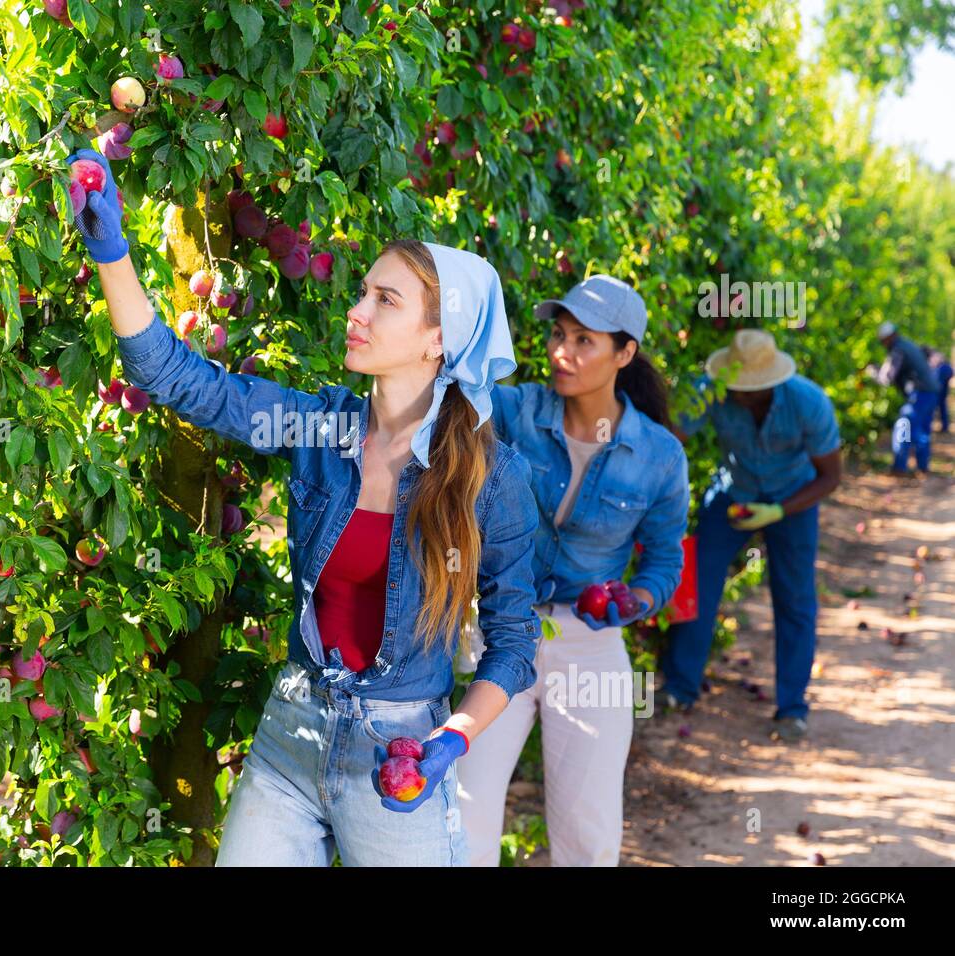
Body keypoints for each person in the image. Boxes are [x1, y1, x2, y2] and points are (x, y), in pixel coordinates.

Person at [64, 147, 545, 866]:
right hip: (293, 734)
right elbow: (174, 376)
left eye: (386, 300)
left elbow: (514, 644)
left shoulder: (490, 479)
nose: (357, 311)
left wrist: (453, 740)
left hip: (400, 751)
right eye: (363, 292)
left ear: (440, 340)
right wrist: (112, 250)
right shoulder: (323, 428)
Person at [454, 275, 690, 867]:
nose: (563, 351)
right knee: (465, 807)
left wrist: (635, 600)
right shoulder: (514, 412)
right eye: (560, 335)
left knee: (588, 827)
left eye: (585, 340)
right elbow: (453, 398)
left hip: (589, 645)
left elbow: (664, 560)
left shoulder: (659, 456)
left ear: (625, 353)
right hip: (500, 631)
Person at [661, 329, 842, 744]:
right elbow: (671, 441)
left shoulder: (808, 403)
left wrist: (779, 510)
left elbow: (831, 476)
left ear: (769, 384)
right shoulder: (714, 390)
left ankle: (792, 708)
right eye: (733, 386)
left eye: (747, 390)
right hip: (734, 491)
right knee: (696, 582)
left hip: (793, 497)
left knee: (795, 599)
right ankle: (679, 687)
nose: (736, 395)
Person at [873, 321, 939, 477]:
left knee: (904, 426)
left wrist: (873, 372)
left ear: (890, 337)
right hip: (929, 391)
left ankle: (899, 468)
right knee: (921, 430)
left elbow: (887, 378)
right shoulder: (907, 344)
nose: (883, 344)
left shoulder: (898, 349)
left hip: (919, 393)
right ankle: (923, 467)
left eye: (884, 340)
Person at [923, 346, 952, 433]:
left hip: (937, 391)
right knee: (940, 408)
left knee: (934, 408)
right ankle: (943, 427)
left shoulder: (942, 367)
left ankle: (931, 428)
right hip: (939, 390)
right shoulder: (942, 367)